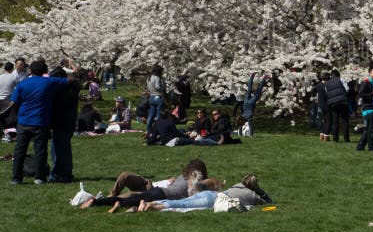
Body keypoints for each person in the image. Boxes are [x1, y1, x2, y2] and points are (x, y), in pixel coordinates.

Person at [8, 59, 73, 185]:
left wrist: (17, 116)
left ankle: (16, 178)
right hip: (41, 121)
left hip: (24, 121)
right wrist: (69, 67)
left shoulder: (23, 83)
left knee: (20, 151)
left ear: (30, 70)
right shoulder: (49, 82)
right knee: (40, 150)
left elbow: (14, 103)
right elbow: (71, 79)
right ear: (45, 71)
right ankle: (40, 177)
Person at [81, 159, 209, 212]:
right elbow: (194, 196)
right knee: (129, 199)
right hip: (160, 194)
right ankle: (97, 202)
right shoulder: (196, 180)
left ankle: (99, 202)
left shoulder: (183, 176)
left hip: (160, 191)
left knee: (131, 199)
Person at [141, 174, 272, 211]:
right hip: (213, 200)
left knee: (181, 202)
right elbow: (268, 202)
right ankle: (154, 206)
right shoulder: (252, 195)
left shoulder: (237, 186)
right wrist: (260, 190)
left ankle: (152, 203)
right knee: (183, 205)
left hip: (210, 194)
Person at [48, 66, 81, 183]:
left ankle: (57, 174)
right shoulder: (73, 88)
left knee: (57, 149)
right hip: (70, 122)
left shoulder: (61, 91)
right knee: (65, 148)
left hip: (60, 122)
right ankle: (67, 173)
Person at [355, 65, 373, 152]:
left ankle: (360, 146)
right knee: (371, 129)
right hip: (367, 108)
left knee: (368, 128)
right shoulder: (365, 82)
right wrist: (372, 94)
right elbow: (361, 94)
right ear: (369, 73)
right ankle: (371, 147)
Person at [325, 69, 350, 142]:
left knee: (335, 121)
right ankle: (346, 138)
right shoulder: (341, 79)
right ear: (338, 74)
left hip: (333, 104)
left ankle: (335, 139)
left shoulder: (327, 83)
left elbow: (327, 93)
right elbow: (347, 89)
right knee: (345, 121)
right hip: (342, 102)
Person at [240, 72, 267, 137]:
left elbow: (250, 126)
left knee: (258, 91)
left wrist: (251, 135)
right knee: (249, 89)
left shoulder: (246, 117)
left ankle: (264, 78)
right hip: (246, 102)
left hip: (250, 104)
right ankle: (252, 75)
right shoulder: (243, 116)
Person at [145, 64, 167, 135]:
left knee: (151, 115)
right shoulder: (157, 77)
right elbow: (157, 87)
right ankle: (158, 131)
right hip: (158, 97)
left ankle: (148, 130)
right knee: (158, 116)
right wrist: (163, 88)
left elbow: (148, 87)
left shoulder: (148, 77)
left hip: (151, 97)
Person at [0, 61, 18, 127]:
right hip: (9, 101)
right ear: (12, 69)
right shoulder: (14, 77)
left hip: (0, 100)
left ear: (4, 69)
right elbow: (18, 88)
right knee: (8, 119)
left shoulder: (0, 77)